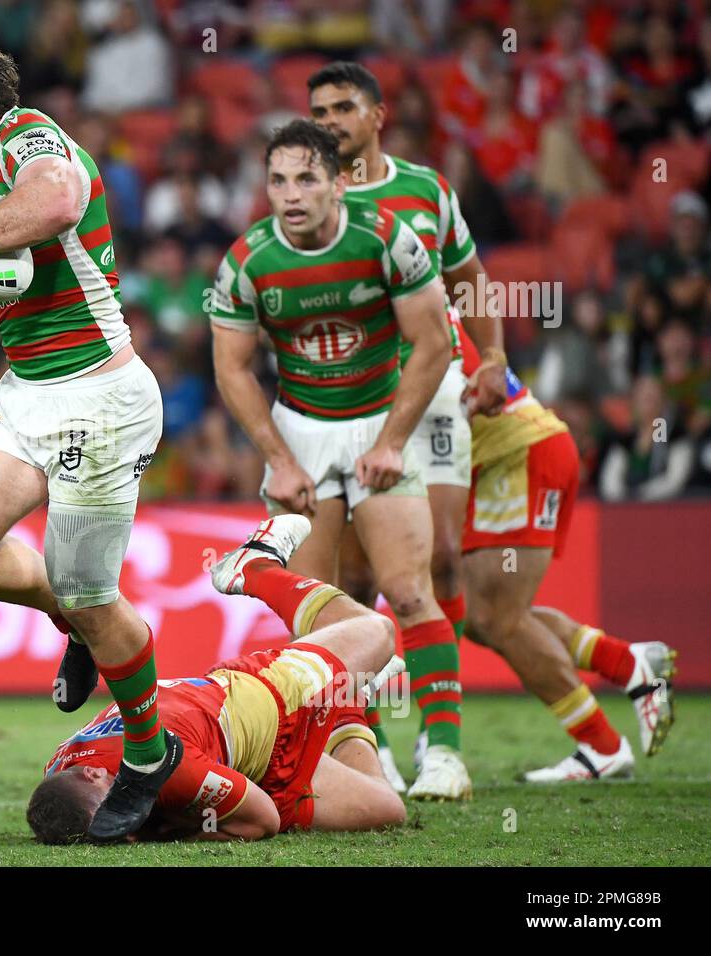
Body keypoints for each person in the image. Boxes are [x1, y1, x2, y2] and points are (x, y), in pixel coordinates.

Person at [0, 24, 177, 841]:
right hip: (30, 391)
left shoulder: (25, 136)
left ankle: (150, 754)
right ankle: (73, 622)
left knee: (95, 593)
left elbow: (56, 202)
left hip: (100, 394)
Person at [208, 119, 471, 800]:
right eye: (277, 180)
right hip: (300, 432)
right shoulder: (246, 261)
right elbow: (233, 370)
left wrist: (389, 441)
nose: (290, 194)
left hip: (377, 421)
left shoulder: (386, 238)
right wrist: (278, 459)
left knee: (410, 591)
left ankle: (443, 754)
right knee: (327, 615)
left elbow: (435, 342)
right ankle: (372, 750)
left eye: (306, 178)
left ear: (338, 182)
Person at [306, 61, 507, 791]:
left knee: (442, 560)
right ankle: (372, 746)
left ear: (377, 115)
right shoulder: (306, 203)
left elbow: (470, 277)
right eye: (318, 110)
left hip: (437, 388)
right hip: (357, 404)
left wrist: (495, 359)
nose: (330, 121)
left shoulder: (426, 190)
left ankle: (440, 743)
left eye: (343, 107)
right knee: (357, 579)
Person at [27, 515, 407, 843]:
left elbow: (262, 821)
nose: (121, 827)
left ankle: (256, 569)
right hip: (236, 764)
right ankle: (347, 698)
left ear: (93, 773)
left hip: (268, 699)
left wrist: (169, 831)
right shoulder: (58, 777)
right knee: (388, 810)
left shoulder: (165, 768)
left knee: (378, 631)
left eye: (109, 814)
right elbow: (261, 816)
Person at [455, 324, 676, 781]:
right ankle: (626, 663)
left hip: (518, 456)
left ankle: (602, 745)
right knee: (482, 617)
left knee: (499, 617)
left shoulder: (407, 320)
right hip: (512, 456)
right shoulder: (416, 309)